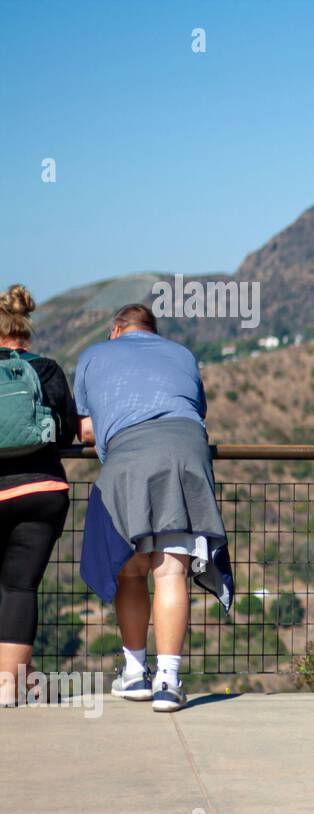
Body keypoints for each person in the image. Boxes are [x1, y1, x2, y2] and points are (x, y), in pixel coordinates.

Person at [76, 304, 233, 714]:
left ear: (116, 331)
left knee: (131, 569)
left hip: (129, 457)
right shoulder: (181, 353)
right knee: (171, 570)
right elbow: (194, 411)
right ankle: (168, 681)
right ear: (153, 332)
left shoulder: (94, 354)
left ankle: (133, 672)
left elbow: (85, 427)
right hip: (186, 453)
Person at [0, 285, 78, 706]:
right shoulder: (46, 369)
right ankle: (9, 689)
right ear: (25, 328)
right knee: (19, 588)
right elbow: (65, 430)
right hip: (40, 488)